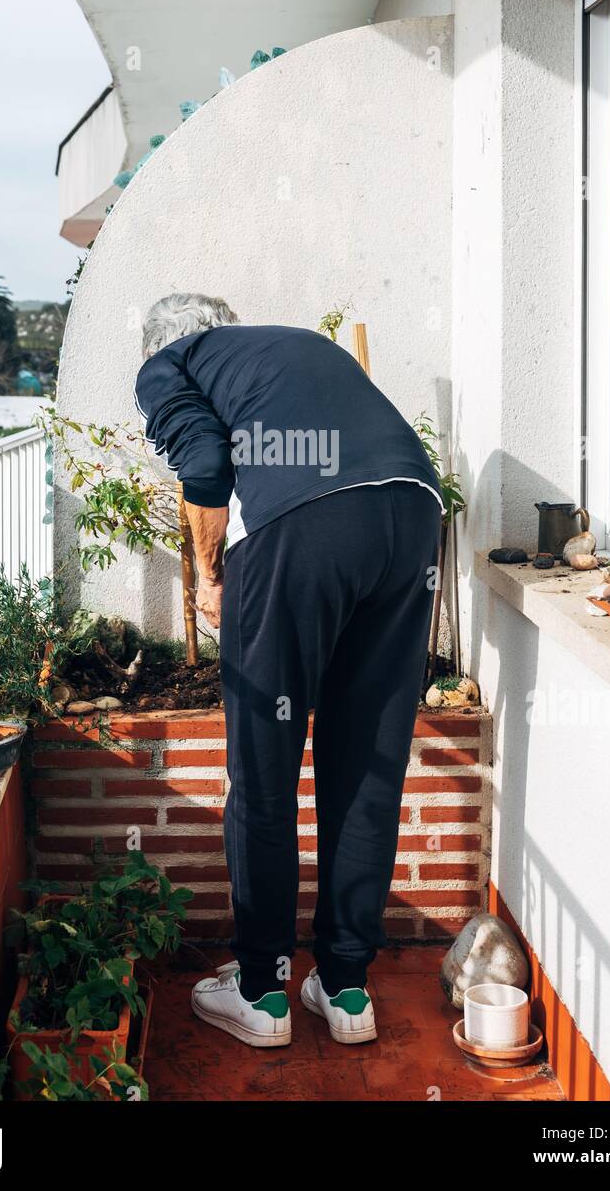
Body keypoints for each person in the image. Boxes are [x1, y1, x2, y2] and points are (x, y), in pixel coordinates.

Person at [135, 293, 442, 1047]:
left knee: (264, 779)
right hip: (411, 512)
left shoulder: (167, 363)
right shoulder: (289, 346)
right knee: (367, 765)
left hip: (303, 530)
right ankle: (344, 990)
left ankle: (263, 994)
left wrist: (209, 573)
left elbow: (203, 463)